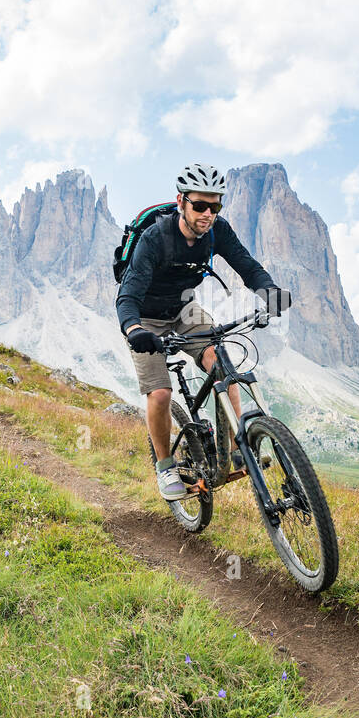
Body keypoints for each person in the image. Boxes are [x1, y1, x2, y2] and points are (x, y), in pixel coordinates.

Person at [115, 163, 291, 500]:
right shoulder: (155, 238)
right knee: (161, 393)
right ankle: (165, 467)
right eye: (200, 205)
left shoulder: (217, 231)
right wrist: (134, 328)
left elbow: (247, 266)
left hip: (183, 308)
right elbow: (128, 295)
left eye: (215, 206)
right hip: (146, 319)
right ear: (181, 201)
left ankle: (240, 446)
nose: (207, 214)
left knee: (221, 361)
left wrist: (269, 290)